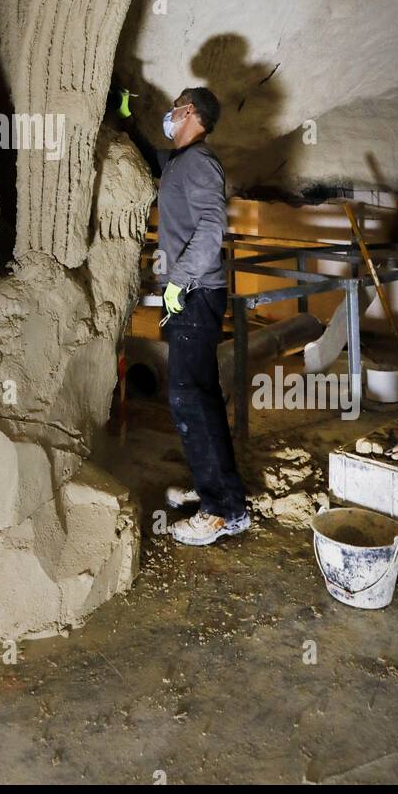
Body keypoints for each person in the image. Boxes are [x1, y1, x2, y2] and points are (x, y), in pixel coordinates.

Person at [156, 87, 249, 545]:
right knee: (201, 396)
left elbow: (214, 226)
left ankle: (221, 511)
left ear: (189, 112)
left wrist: (179, 279)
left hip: (194, 294)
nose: (169, 114)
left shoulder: (200, 162)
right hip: (190, 294)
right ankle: (218, 490)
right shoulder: (181, 161)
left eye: (175, 107)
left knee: (187, 398)